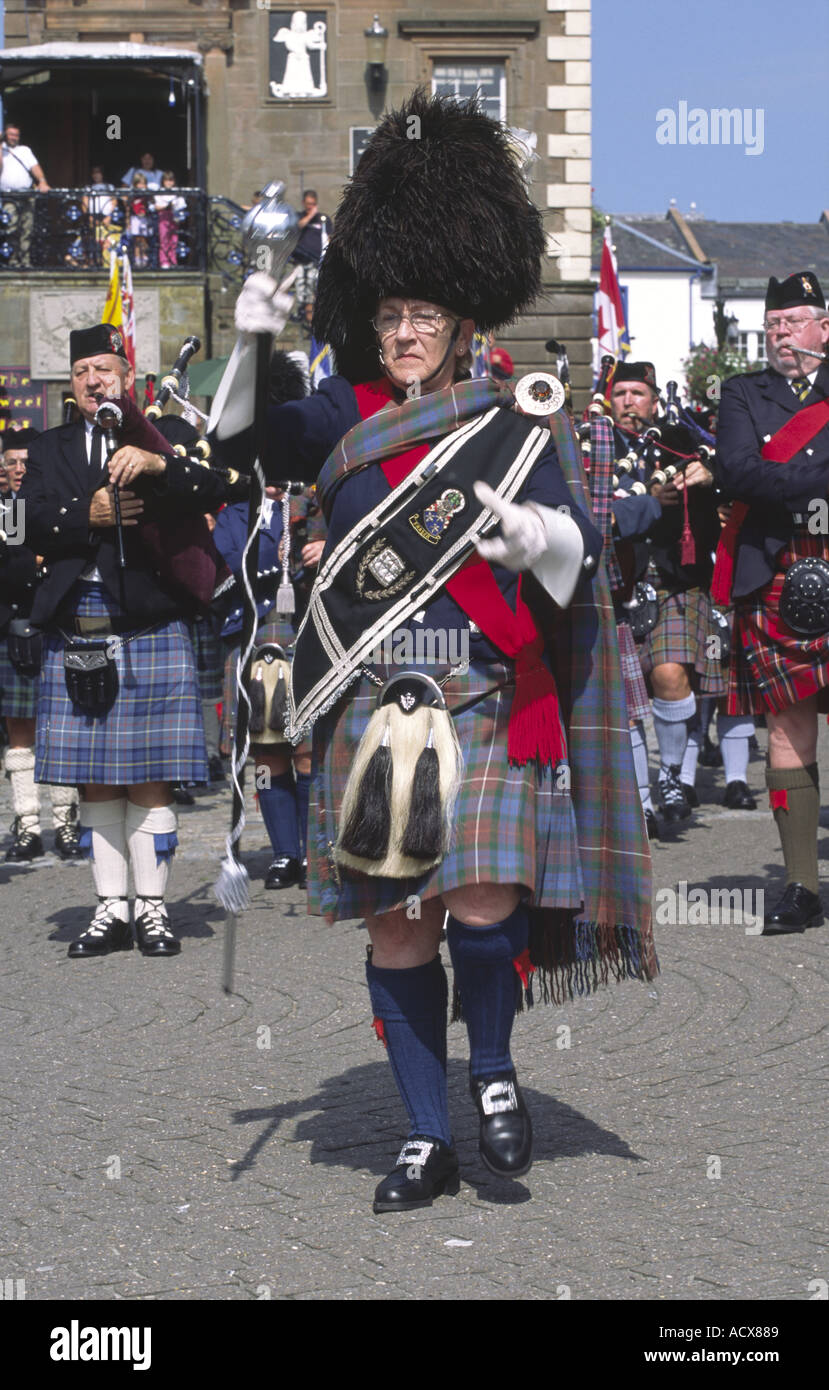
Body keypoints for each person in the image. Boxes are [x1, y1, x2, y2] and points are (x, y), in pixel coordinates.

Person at [213, 91, 655, 1213]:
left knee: (481, 906)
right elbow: (238, 438)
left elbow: (579, 547)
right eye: (390, 315)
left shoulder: (513, 421)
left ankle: (495, 1070)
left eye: (424, 315)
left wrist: (529, 531)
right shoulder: (341, 413)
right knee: (403, 924)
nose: (403, 334)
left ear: (462, 324)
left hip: (487, 697)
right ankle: (423, 1135)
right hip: (375, 706)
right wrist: (253, 341)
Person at [18, 323, 230, 958]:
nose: (92, 381)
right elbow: (23, 522)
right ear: (71, 383)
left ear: (126, 377)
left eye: (104, 369)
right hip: (75, 623)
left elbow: (219, 486)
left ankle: (154, 910)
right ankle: (111, 908)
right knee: (94, 779)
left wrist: (160, 462)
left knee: (151, 776)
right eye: (82, 371)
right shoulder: (50, 447)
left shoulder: (162, 437)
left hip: (149, 622)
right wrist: (89, 514)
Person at [714, 270, 829, 934]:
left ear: (822, 327)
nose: (779, 334)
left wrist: (776, 479)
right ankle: (801, 886)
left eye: (791, 322)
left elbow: (760, 474)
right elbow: (734, 470)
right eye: (772, 325)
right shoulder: (741, 392)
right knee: (787, 727)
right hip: (777, 568)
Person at [608, 362, 726, 829]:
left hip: (674, 582)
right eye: (620, 393)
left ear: (654, 400)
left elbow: (725, 462)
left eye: (638, 393)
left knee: (671, 675)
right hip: (614, 585)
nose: (629, 401)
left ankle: (672, 775)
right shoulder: (591, 442)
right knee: (624, 702)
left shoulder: (677, 439)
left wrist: (707, 471)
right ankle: (640, 800)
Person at [0, 428, 83, 862]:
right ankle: (28, 825)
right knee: (21, 734)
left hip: (58, 627)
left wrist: (36, 559)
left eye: (24, 463)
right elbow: (15, 568)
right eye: (10, 462)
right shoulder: (12, 511)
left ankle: (67, 824)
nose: (17, 470)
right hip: (18, 630)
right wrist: (38, 562)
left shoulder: (55, 502)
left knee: (63, 731)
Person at [290, 190, 332, 317]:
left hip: (318, 262)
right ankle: (306, 319)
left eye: (313, 204)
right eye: (308, 204)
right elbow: (296, 228)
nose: (310, 207)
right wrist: (309, 216)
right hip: (302, 262)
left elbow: (330, 237)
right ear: (303, 203)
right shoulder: (298, 217)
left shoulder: (323, 219)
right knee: (305, 297)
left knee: (318, 295)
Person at [0, 124, 49, 192]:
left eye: (16, 135)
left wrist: (42, 182)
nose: (14, 138)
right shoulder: (2, 150)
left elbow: (35, 167)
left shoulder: (25, 150)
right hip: (6, 195)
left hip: (25, 194)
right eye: (11, 134)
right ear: (5, 135)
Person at [154, 172, 186, 269]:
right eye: (166, 180)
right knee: (164, 239)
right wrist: (167, 206)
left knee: (174, 239)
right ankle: (164, 261)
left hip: (174, 216)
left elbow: (181, 204)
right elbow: (157, 206)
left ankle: (173, 260)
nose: (168, 183)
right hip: (164, 216)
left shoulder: (177, 192)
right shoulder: (160, 192)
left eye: (171, 180)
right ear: (163, 181)